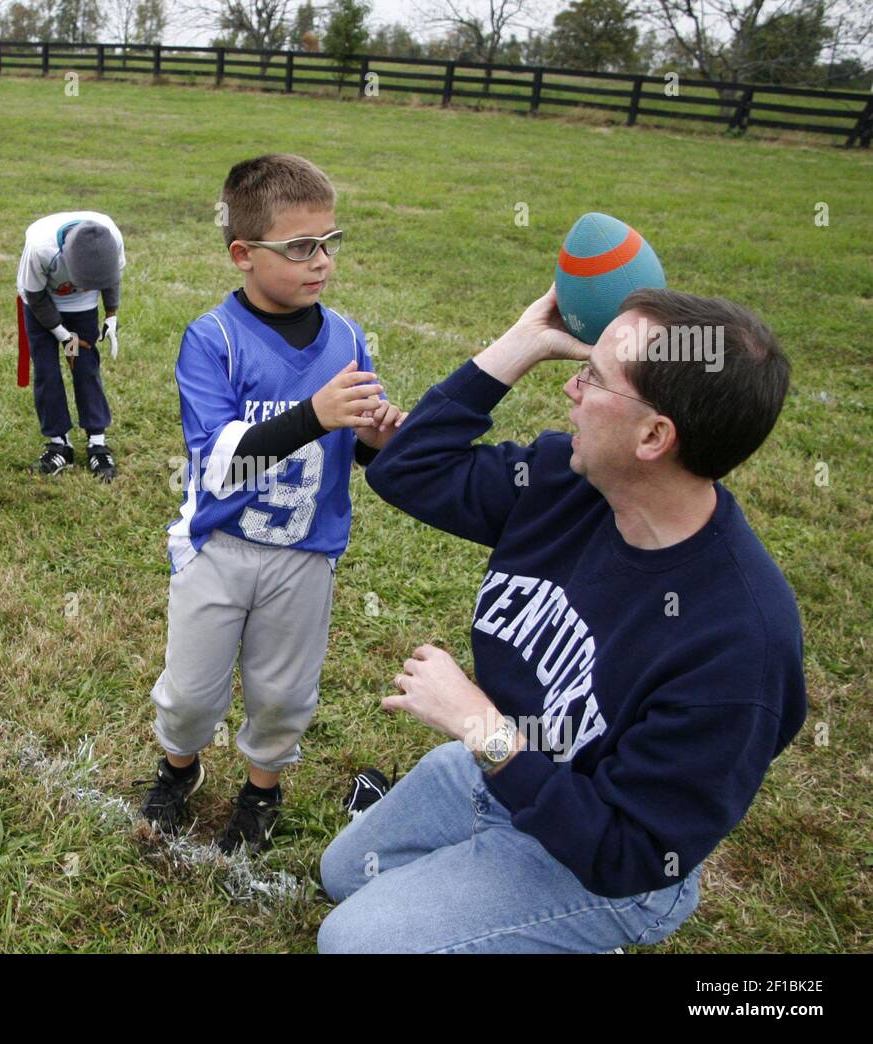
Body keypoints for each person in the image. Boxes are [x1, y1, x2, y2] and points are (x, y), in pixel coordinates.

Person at [317, 286, 806, 953]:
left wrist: (483, 731)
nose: (571, 388)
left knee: (355, 942)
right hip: (512, 775)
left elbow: (627, 853)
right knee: (343, 873)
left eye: (595, 377)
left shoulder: (739, 640)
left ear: (655, 436)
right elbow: (407, 468)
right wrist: (521, 344)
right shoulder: (569, 482)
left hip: (601, 864)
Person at [138, 154, 405, 854]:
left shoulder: (346, 337)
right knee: (193, 694)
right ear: (242, 254)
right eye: (299, 248)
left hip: (305, 551)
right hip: (220, 549)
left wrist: (377, 439)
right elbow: (224, 465)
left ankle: (261, 789)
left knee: (284, 693)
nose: (320, 261)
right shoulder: (213, 338)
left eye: (329, 243)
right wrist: (315, 414)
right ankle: (179, 767)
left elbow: (354, 449)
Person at [15, 210, 124, 481]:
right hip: (41, 303)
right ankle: (59, 443)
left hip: (81, 308)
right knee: (46, 371)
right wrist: (63, 335)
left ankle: (97, 442)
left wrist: (111, 315)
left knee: (85, 368)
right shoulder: (41, 248)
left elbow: (111, 277)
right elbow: (35, 296)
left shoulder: (110, 236)